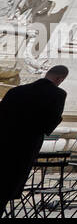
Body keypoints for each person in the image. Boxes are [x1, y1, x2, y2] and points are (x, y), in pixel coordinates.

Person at [0, 65, 69, 211]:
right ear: (60, 79)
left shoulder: (16, 90)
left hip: (3, 144)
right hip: (25, 148)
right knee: (6, 189)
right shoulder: (58, 94)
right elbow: (49, 125)